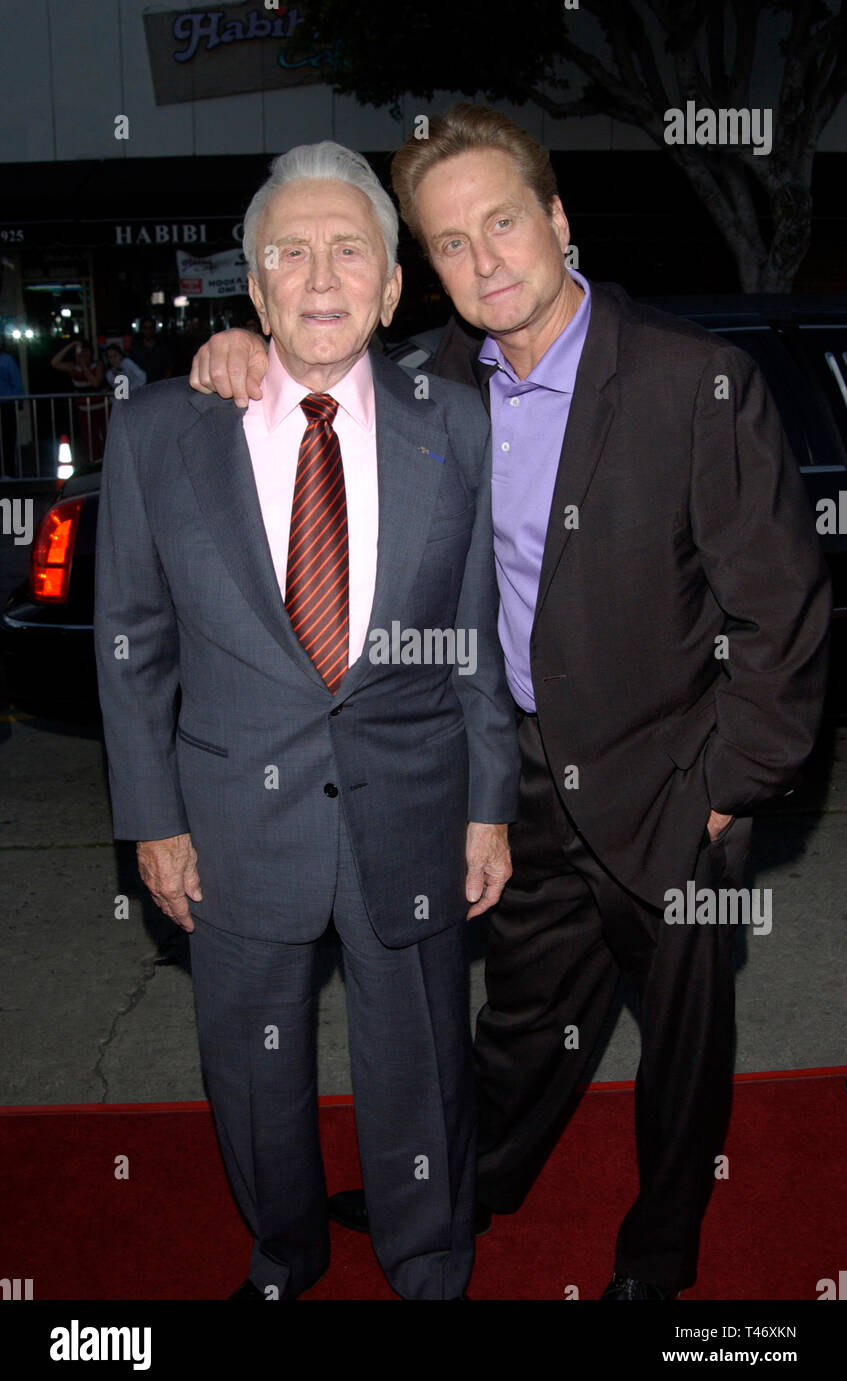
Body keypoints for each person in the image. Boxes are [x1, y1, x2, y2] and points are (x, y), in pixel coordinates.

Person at [190, 105, 832, 1300]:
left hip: (670, 777)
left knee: (682, 1042)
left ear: (556, 218)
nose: (483, 260)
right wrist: (236, 351)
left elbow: (782, 616)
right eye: (448, 242)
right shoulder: (432, 386)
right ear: (425, 271)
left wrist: (725, 790)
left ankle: (659, 1252)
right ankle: (475, 1178)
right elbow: (311, 378)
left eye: (501, 223)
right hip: (515, 774)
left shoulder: (694, 380)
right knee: (524, 1018)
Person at [94, 139, 519, 1301]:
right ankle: (283, 1253)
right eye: (291, 253)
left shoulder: (458, 423)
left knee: (422, 1064)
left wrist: (490, 806)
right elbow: (132, 646)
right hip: (231, 817)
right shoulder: (162, 433)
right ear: (255, 284)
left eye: (350, 251)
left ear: (392, 288)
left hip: (415, 807)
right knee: (250, 1070)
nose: (320, 277)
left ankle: (429, 1261)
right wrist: (153, 821)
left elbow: (476, 636)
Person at [50, 338, 108, 464]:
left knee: (107, 436)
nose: (84, 355)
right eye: (81, 352)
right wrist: (70, 346)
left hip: (101, 408)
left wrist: (84, 367)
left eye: (86, 351)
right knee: (90, 440)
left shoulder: (97, 365)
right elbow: (54, 362)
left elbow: (95, 383)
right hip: (84, 410)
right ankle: (94, 463)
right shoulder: (73, 367)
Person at [0, 338, 24, 474]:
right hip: (7, 403)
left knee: (8, 439)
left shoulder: (6, 360)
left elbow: (16, 381)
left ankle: (9, 471)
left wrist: (19, 401)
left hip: (6, 405)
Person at [128, 316, 172, 382]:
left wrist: (165, 382)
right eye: (145, 328)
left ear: (154, 329)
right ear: (141, 329)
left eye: (150, 328)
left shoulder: (162, 347)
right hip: (140, 384)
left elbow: (168, 367)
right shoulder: (135, 348)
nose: (148, 331)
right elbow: (130, 369)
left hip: (159, 383)